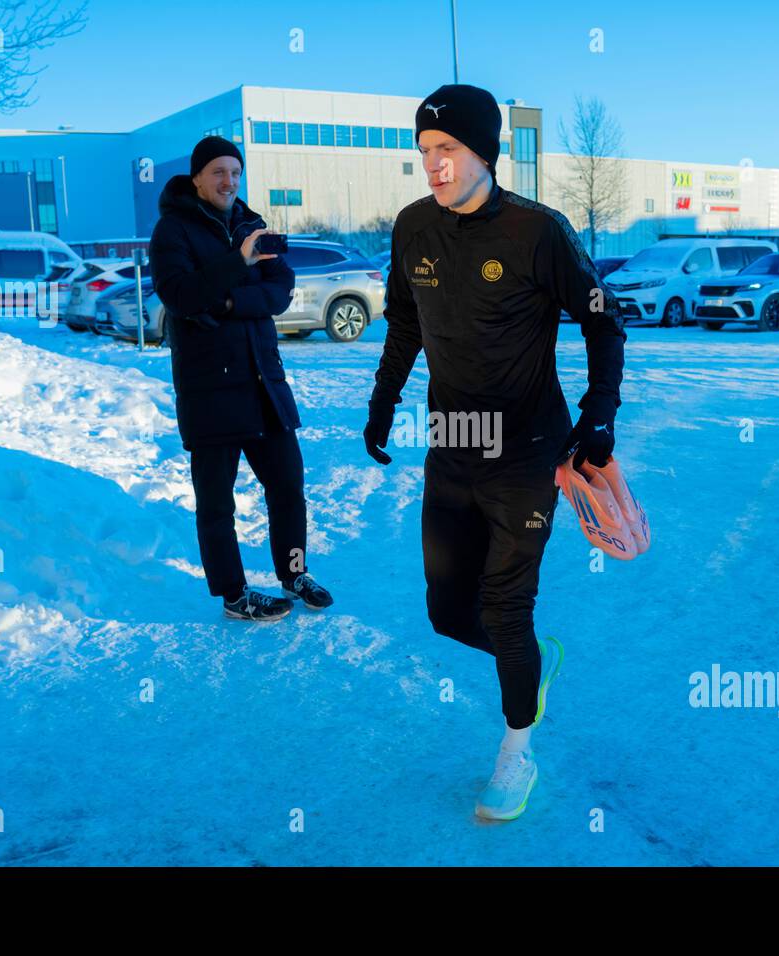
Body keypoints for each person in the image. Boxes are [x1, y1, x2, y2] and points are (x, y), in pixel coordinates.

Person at [363, 84, 627, 820]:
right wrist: (384, 402)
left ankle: (517, 754)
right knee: (447, 613)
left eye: (447, 151)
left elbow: (605, 325)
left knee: (506, 609)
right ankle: (533, 663)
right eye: (424, 153)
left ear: (485, 152)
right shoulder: (413, 227)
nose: (434, 167)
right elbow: (405, 325)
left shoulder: (538, 232)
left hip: (525, 455)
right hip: (451, 446)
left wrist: (597, 415)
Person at [150, 135, 333, 621]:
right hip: (211, 389)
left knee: (288, 485)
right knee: (216, 502)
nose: (229, 180)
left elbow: (281, 291)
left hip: (262, 383)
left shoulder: (252, 226)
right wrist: (239, 263)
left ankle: (293, 573)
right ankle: (234, 594)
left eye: (235, 171)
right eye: (218, 172)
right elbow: (182, 297)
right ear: (196, 179)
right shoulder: (173, 231)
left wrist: (229, 303)